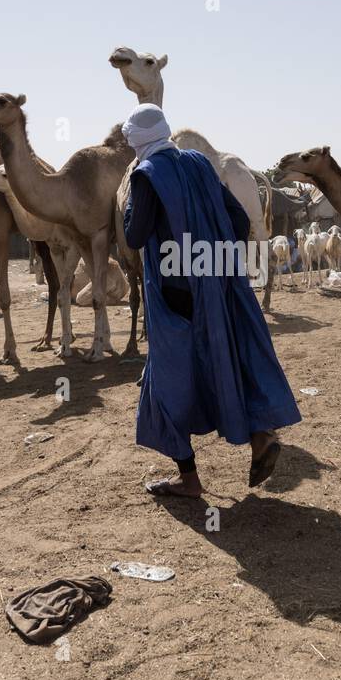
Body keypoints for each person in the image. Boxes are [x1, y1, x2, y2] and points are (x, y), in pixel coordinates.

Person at [122, 104, 301, 498]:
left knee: (165, 384)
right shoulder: (200, 164)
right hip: (217, 284)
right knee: (224, 361)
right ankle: (259, 437)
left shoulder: (145, 175)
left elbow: (135, 236)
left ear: (135, 141)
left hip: (174, 294)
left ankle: (189, 479)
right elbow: (238, 222)